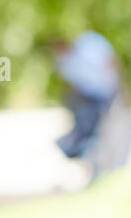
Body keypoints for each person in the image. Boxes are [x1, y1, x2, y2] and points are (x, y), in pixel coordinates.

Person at [50, 30, 119, 160]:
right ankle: (74, 147)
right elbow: (71, 85)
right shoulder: (64, 63)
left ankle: (80, 147)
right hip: (88, 97)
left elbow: (111, 61)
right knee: (86, 121)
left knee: (101, 125)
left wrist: (120, 88)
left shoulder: (88, 43)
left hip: (106, 92)